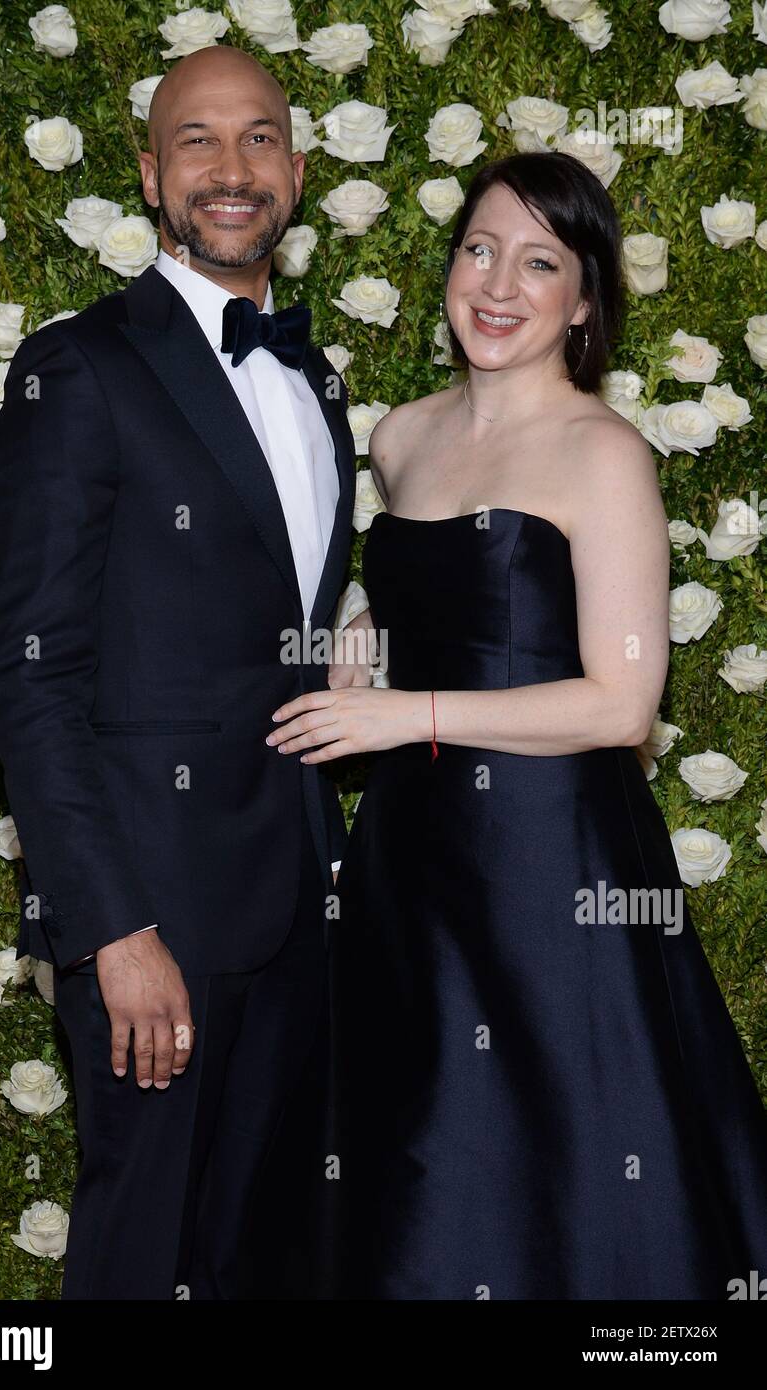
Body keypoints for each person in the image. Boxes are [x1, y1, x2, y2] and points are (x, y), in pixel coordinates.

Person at [267, 151, 767, 1299]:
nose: (497, 284)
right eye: (479, 249)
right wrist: (360, 613)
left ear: (583, 299)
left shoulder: (603, 455)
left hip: (554, 860)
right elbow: (439, 588)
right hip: (411, 866)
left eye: (539, 261)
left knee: (564, 1148)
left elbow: (619, 702)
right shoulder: (400, 435)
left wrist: (408, 715)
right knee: (429, 1148)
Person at [0, 45, 355, 1300]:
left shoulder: (316, 379)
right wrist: (113, 932)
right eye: (197, 140)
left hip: (296, 896)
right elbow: (30, 676)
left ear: (298, 172)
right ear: (148, 174)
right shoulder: (77, 366)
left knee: (269, 1252)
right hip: (153, 914)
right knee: (142, 1251)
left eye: (258, 138)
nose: (230, 169)